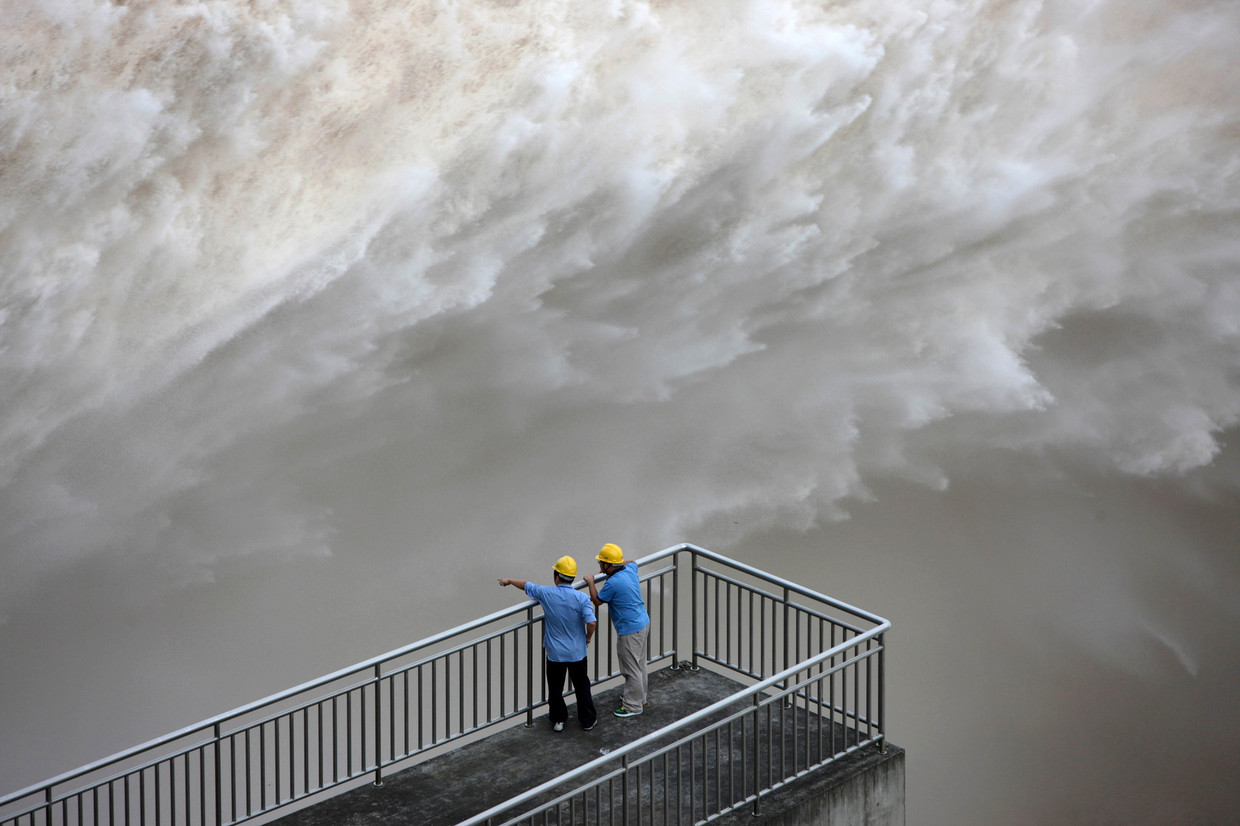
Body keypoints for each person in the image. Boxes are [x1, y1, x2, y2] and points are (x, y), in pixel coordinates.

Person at [498, 556, 598, 732]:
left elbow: (526, 585)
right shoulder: (581, 598)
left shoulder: (546, 594)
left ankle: (558, 720)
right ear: (572, 577)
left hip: (555, 653)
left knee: (555, 687)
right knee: (582, 686)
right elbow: (591, 622)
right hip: (577, 652)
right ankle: (588, 720)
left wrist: (509, 581)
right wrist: (588, 637)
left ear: (557, 576)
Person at [584, 543, 650, 718]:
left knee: (631, 668)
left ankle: (633, 706)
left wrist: (591, 581)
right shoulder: (629, 569)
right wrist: (616, 564)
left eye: (602, 563)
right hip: (642, 622)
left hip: (629, 629)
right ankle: (639, 696)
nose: (600, 566)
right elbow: (632, 561)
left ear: (608, 565)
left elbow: (597, 601)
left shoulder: (612, 583)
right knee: (640, 663)